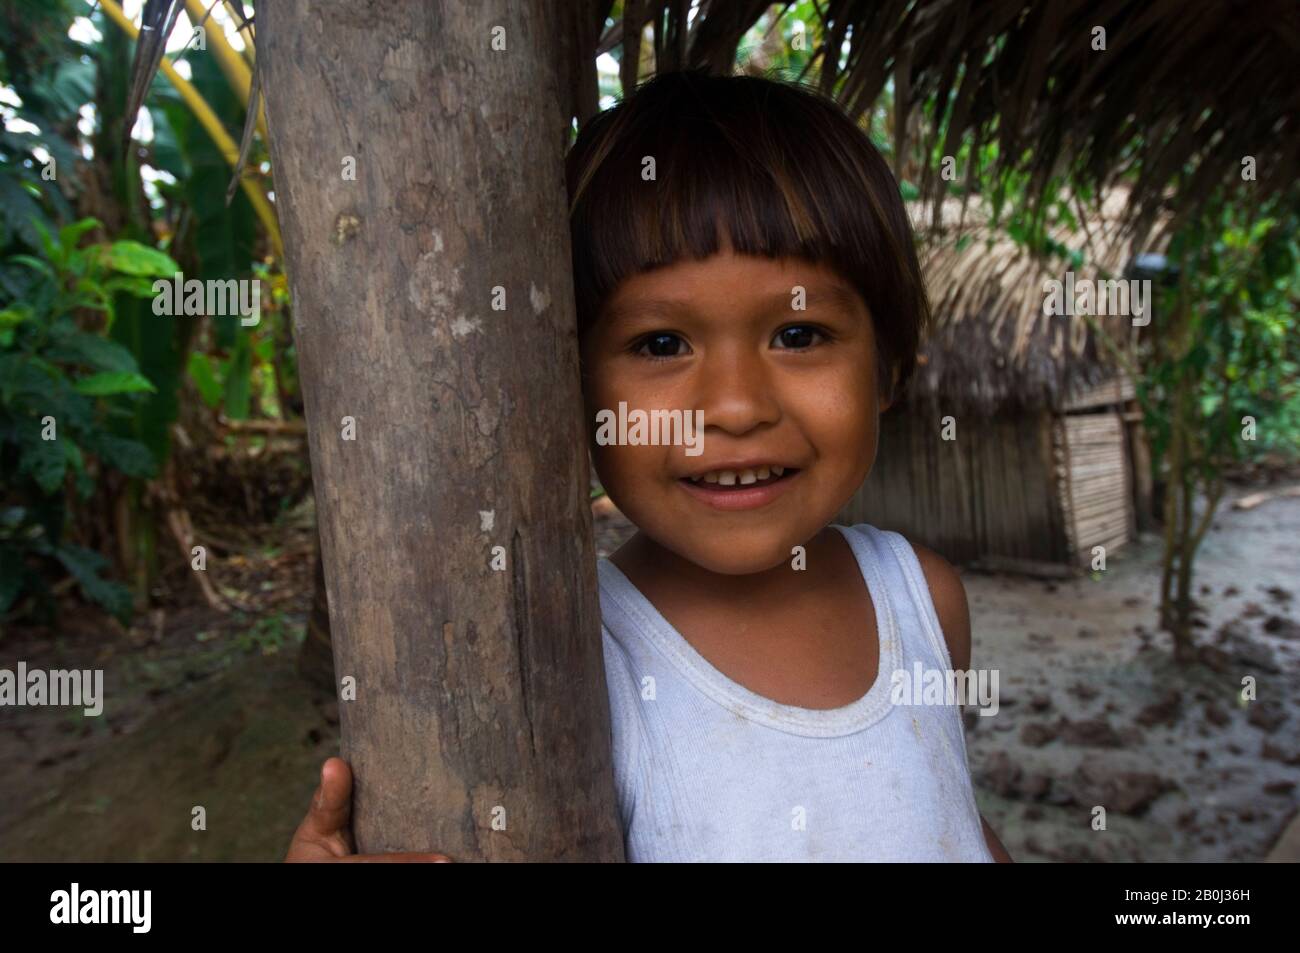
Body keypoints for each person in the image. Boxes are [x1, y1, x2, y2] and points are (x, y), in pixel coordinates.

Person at [286, 69, 1011, 863]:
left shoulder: (922, 600)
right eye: (660, 344)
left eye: (798, 335)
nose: (735, 408)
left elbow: (952, 820)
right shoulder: (568, 654)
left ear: (889, 366)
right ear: (571, 390)